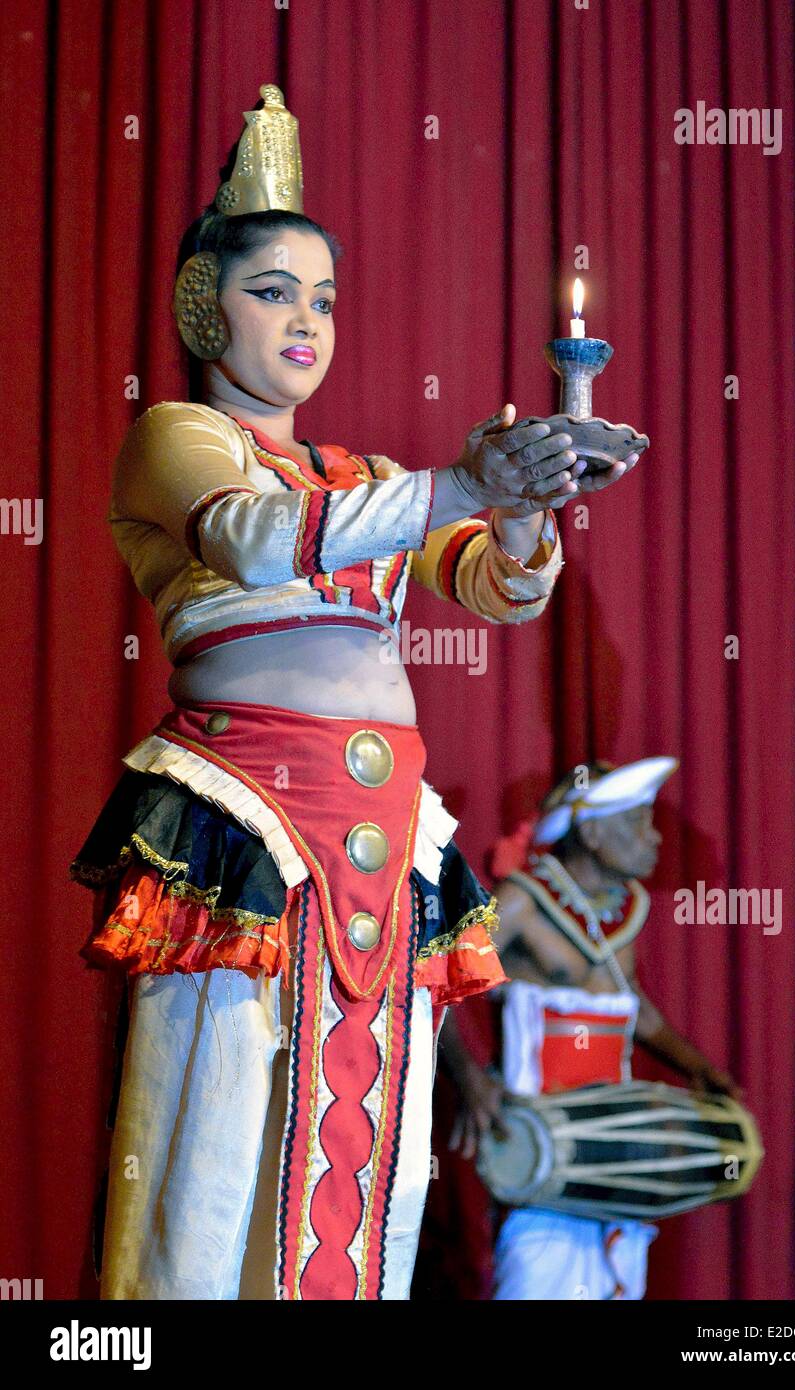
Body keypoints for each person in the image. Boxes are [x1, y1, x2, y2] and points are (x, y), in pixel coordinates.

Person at [70, 86, 644, 1302]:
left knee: (371, 1155)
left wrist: (526, 502)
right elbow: (257, 542)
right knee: (217, 1139)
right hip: (247, 827)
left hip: (385, 842)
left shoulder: (364, 472)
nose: (304, 320)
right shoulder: (176, 438)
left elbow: (494, 586)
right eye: (272, 290)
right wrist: (455, 482)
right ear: (198, 303)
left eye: (322, 298)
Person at [440, 757, 740, 1300]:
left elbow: (636, 1010)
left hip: (611, 1143)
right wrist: (469, 1079)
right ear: (593, 831)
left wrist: (699, 1068)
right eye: (638, 822)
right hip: (540, 1139)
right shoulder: (523, 903)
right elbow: (437, 978)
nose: (654, 839)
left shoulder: (622, 912)